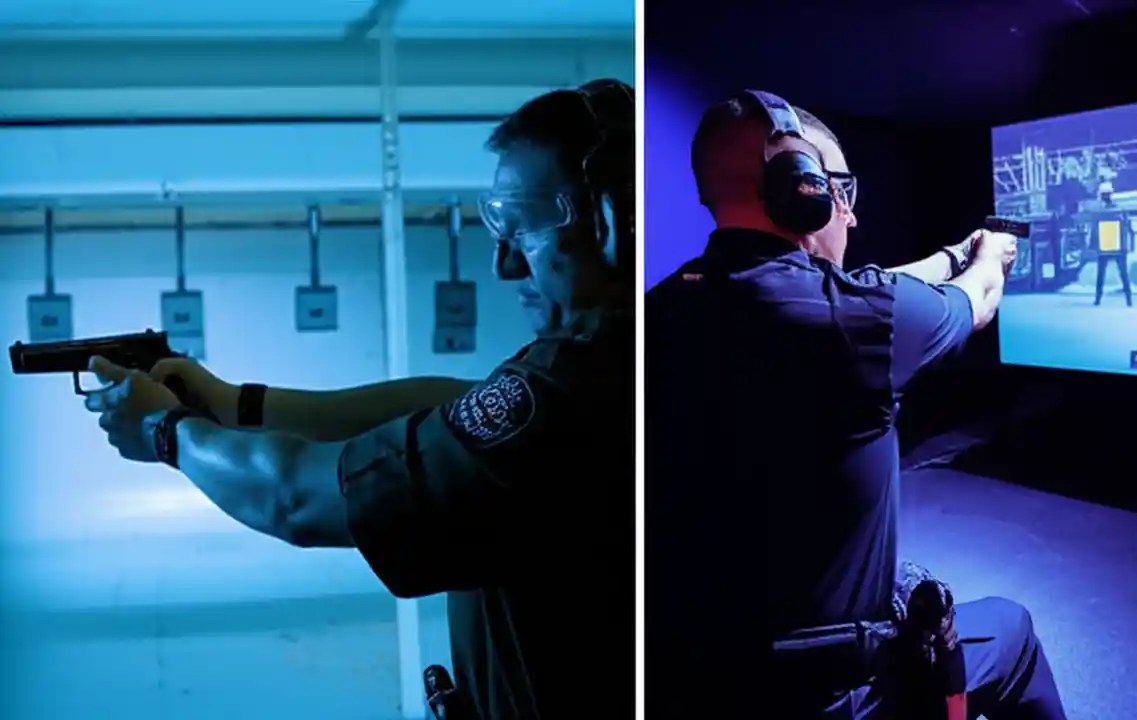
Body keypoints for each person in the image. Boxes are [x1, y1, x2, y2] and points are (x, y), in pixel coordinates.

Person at [84, 80, 636, 720]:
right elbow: (449, 406)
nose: (505, 265)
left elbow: (295, 499)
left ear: (610, 224)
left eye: (525, 230)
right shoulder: (613, 366)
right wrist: (235, 403)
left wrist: (163, 430)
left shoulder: (574, 385)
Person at [646, 90, 1067, 719]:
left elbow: (869, 291)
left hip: (693, 676)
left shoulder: (667, 306)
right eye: (838, 188)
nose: (851, 214)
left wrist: (953, 252)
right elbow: (974, 301)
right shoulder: (855, 320)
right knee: (1013, 632)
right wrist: (986, 259)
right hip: (829, 696)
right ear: (803, 189)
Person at [1090, 182, 1134, 307]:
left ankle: (1098, 299)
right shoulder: (1118, 210)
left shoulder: (1099, 211)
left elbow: (1094, 230)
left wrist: (1093, 245)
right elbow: (1127, 227)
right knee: (1122, 274)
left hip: (1106, 247)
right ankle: (1128, 299)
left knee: (1102, 274)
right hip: (1116, 246)